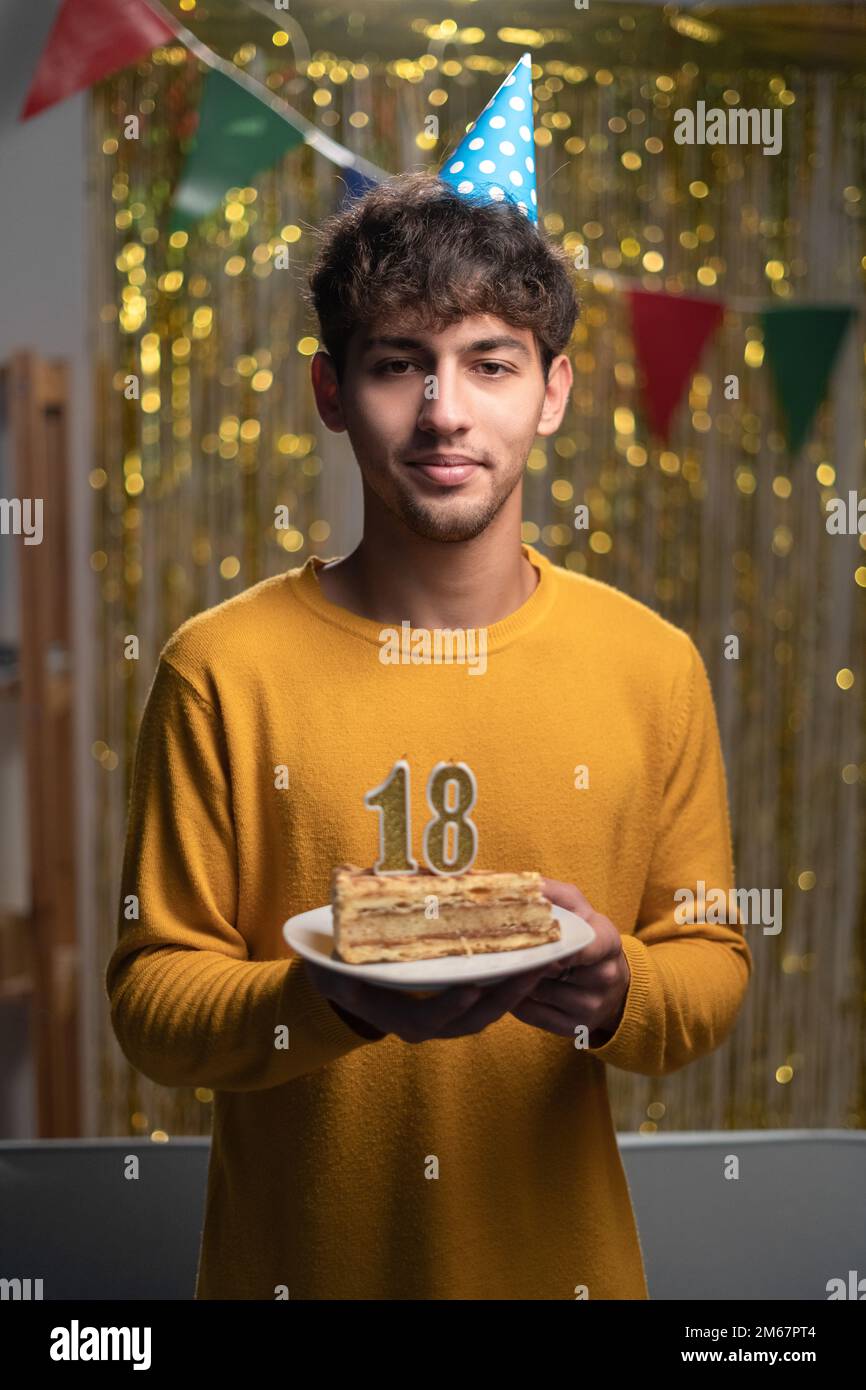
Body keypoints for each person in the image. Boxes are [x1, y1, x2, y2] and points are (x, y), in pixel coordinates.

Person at [105, 170, 752, 1300]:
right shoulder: (218, 668)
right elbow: (153, 1001)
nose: (443, 411)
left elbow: (708, 965)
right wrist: (324, 999)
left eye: (488, 364)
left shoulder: (650, 664)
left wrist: (614, 992)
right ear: (332, 390)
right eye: (398, 363)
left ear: (550, 393)